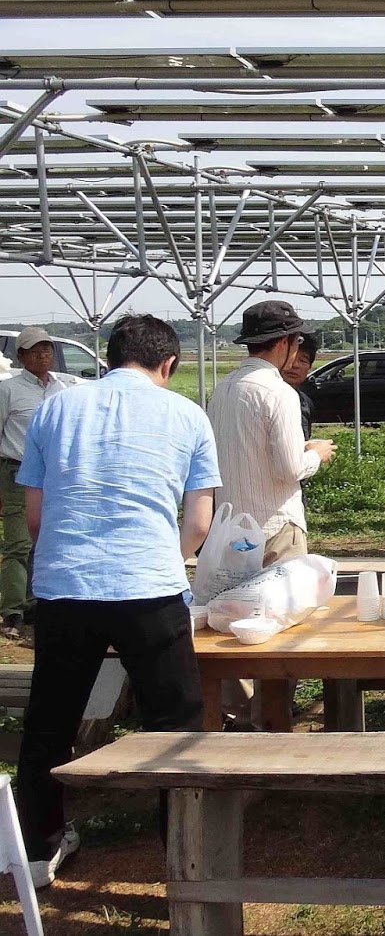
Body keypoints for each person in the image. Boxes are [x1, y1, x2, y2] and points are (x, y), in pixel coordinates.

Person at [15, 314, 219, 887]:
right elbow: (198, 520)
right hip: (149, 588)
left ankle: (37, 849)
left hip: (65, 586)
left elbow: (36, 514)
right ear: (169, 364)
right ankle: (183, 853)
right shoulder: (187, 414)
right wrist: (165, 558)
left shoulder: (55, 408)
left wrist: (65, 556)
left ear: (109, 357)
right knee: (173, 725)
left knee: (51, 719)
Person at [209, 300, 337, 566]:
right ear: (284, 342)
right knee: (278, 606)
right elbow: (290, 470)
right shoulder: (279, 393)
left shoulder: (223, 389)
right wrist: (315, 454)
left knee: (236, 606)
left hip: (230, 528)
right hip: (274, 527)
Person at [0, 327, 82, 625]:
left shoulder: (65, 388)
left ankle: (37, 601)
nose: (43, 355)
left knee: (48, 539)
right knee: (18, 543)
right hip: (16, 472)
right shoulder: (8, 390)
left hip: (54, 472)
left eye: (47, 349)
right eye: (35, 350)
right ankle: (12, 609)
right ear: (20, 356)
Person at [280, 331, 320, 441]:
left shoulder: (306, 402)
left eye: (303, 360)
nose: (295, 365)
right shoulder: (266, 397)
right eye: (290, 358)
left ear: (310, 367)